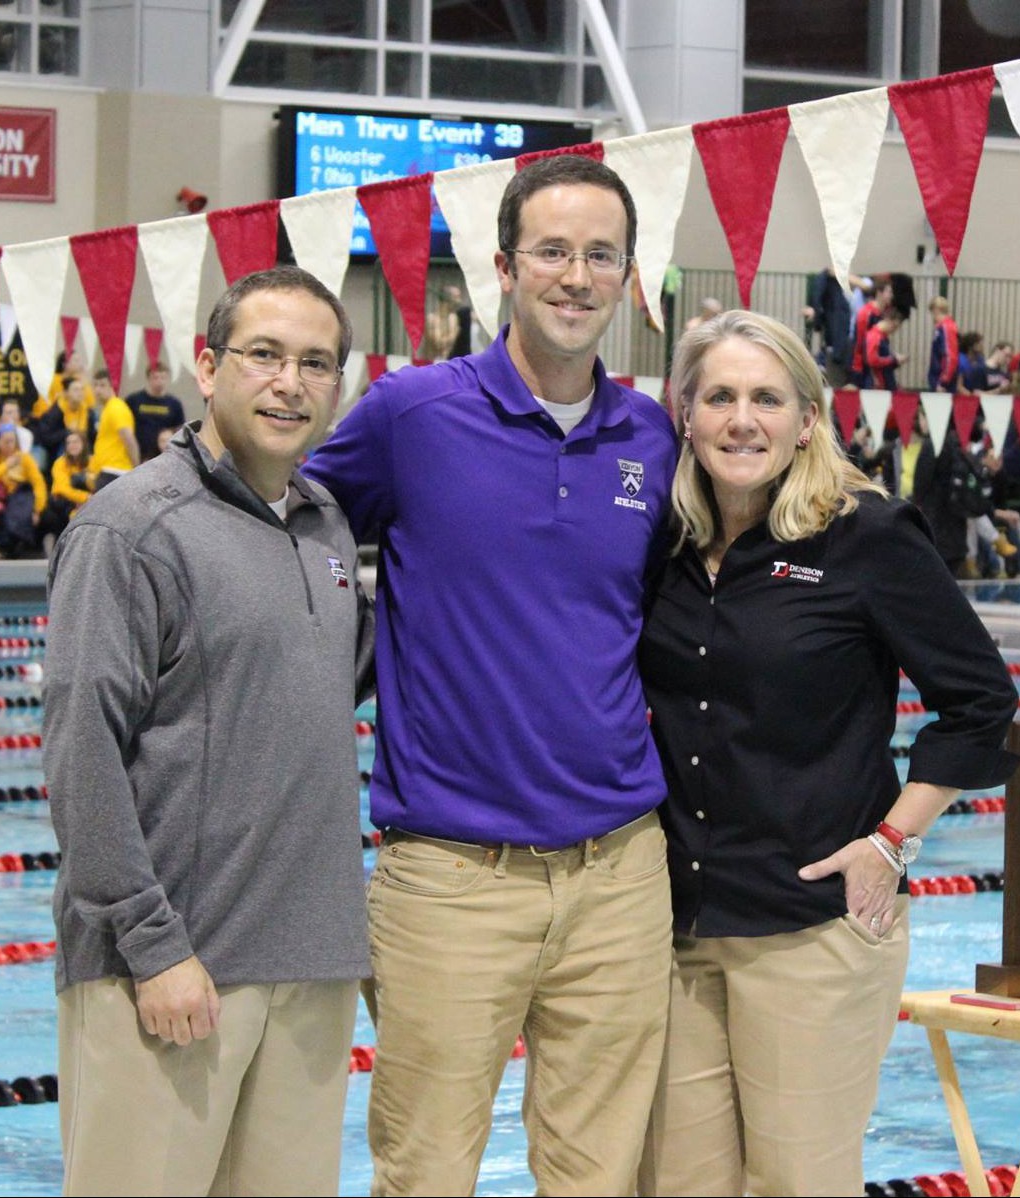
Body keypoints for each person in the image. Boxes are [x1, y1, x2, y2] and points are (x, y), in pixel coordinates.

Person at [303, 153, 677, 1196]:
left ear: (627, 275)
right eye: (553, 251)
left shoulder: (651, 435)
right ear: (504, 267)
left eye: (601, 255)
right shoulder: (412, 415)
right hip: (451, 880)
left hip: (621, 876)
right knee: (424, 1170)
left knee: (598, 1176)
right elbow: (287, 524)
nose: (576, 276)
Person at [636, 310, 1019, 1197]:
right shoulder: (666, 543)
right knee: (675, 1184)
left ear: (808, 417)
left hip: (813, 932)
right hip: (674, 933)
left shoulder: (868, 537)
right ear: (684, 413)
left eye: (767, 398)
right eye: (720, 396)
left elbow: (982, 704)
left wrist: (892, 842)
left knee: (799, 1183)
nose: (743, 419)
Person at [44, 265, 373, 1196]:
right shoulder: (133, 529)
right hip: (170, 970)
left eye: (316, 363)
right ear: (206, 365)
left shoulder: (327, 528)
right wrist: (153, 947)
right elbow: (80, 749)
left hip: (310, 968)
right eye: (263, 354)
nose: (289, 381)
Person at [0, 425, 48, 557]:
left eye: (12, 441)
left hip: (20, 497)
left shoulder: (24, 458)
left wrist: (37, 509)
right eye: (5, 441)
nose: (9, 445)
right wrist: (6, 466)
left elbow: (39, 483)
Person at [88, 367, 140, 484]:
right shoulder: (107, 409)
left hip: (114, 471)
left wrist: (137, 468)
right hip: (108, 471)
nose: (98, 390)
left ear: (112, 386)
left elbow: (128, 438)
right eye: (95, 385)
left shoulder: (116, 407)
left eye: (102, 385)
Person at [126, 362, 186, 462]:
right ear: (148, 379)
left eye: (163, 378)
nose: (159, 382)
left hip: (164, 457)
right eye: (155, 378)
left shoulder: (174, 404)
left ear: (167, 379)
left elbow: (179, 431)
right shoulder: (134, 400)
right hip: (139, 456)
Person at [925, 296, 961, 392]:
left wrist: (943, 381)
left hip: (942, 381)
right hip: (939, 377)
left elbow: (950, 356)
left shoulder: (946, 328)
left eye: (932, 312)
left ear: (936, 310)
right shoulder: (945, 327)